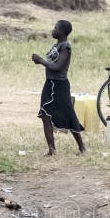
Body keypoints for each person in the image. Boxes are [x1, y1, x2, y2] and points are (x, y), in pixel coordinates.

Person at [31, 20, 85, 156]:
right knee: (44, 114)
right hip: (50, 84)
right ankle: (51, 149)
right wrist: (41, 61)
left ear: (62, 32)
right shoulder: (57, 45)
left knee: (69, 115)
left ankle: (82, 147)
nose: (53, 30)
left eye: (55, 28)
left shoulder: (65, 46)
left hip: (60, 85)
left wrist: (41, 61)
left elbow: (58, 66)